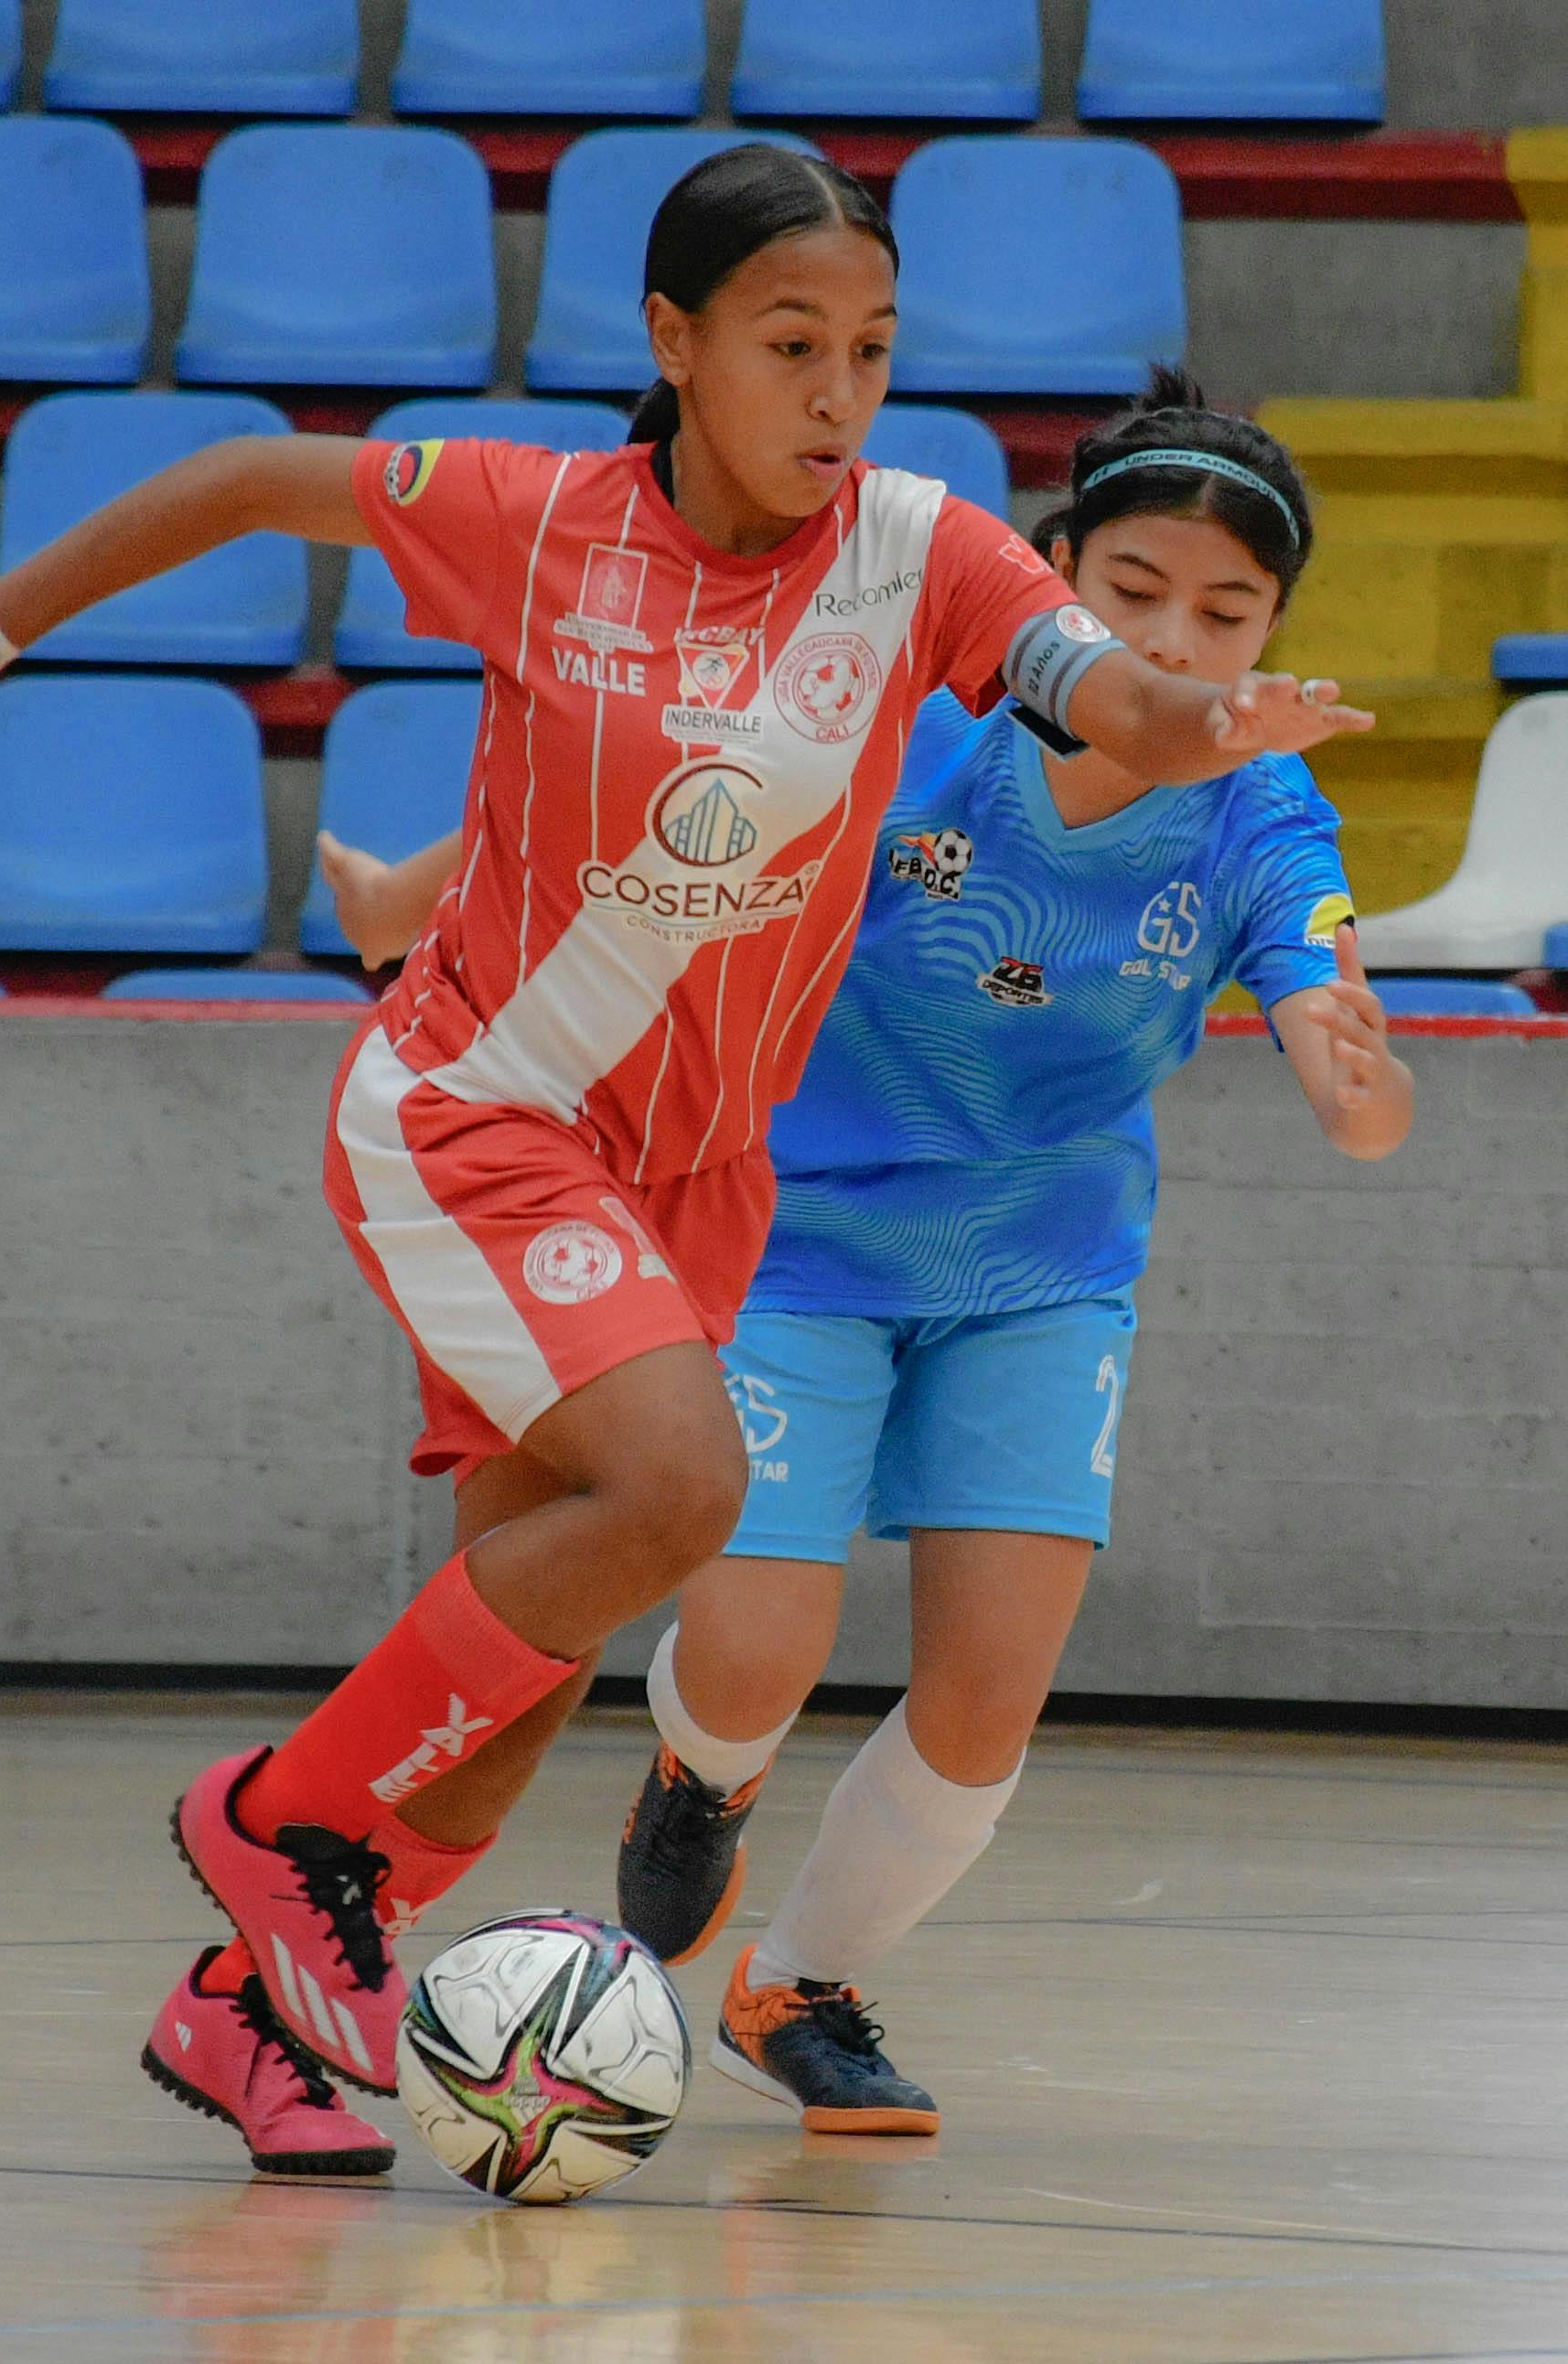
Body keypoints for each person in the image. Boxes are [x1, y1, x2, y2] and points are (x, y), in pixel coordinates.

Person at [0, 144, 1373, 2181]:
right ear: (673, 341)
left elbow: (1110, 695)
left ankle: (246, 2009)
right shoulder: (536, 521)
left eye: (871, 352)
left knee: (529, 1651)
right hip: (481, 1112)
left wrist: (1199, 712)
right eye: (788, 344)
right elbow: (254, 477)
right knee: (680, 1486)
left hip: (689, 1182)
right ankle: (280, 1823)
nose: (835, 393)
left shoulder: (917, 550)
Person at [326, 371, 1414, 2142]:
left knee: (988, 1689)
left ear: (1272, 632)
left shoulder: (1258, 807)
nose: (1175, 636)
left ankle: (797, 1983)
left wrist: (1345, 1075)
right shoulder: (917, 723)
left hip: (1042, 1268)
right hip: (791, 1236)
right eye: (1131, 589)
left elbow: (1328, 1009)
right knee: (754, 1645)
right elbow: (635, 808)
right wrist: (402, 905)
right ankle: (701, 1767)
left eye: (1225, 612)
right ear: (1053, 579)